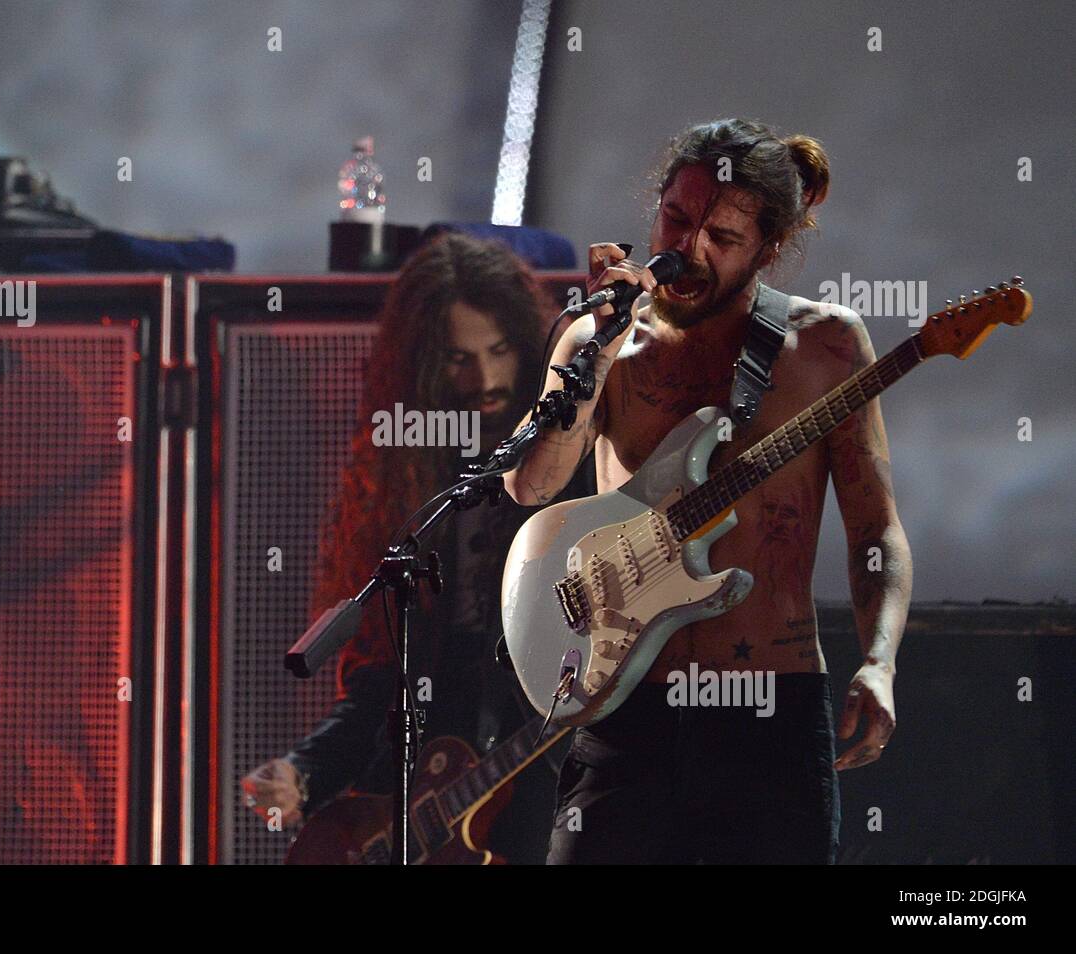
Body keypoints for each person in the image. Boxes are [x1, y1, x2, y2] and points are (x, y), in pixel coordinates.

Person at [503, 118, 912, 864]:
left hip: (770, 717)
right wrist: (594, 353)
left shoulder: (827, 346)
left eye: (722, 237)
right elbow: (530, 484)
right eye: (676, 219)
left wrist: (879, 662)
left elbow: (875, 531)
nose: (689, 249)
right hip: (626, 710)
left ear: (771, 248)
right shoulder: (604, 340)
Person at [240, 231, 593, 864]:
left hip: (549, 785)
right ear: (422, 368)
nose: (483, 379)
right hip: (437, 793)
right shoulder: (411, 481)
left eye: (501, 349)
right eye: (458, 359)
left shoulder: (576, 464)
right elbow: (385, 681)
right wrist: (305, 771)